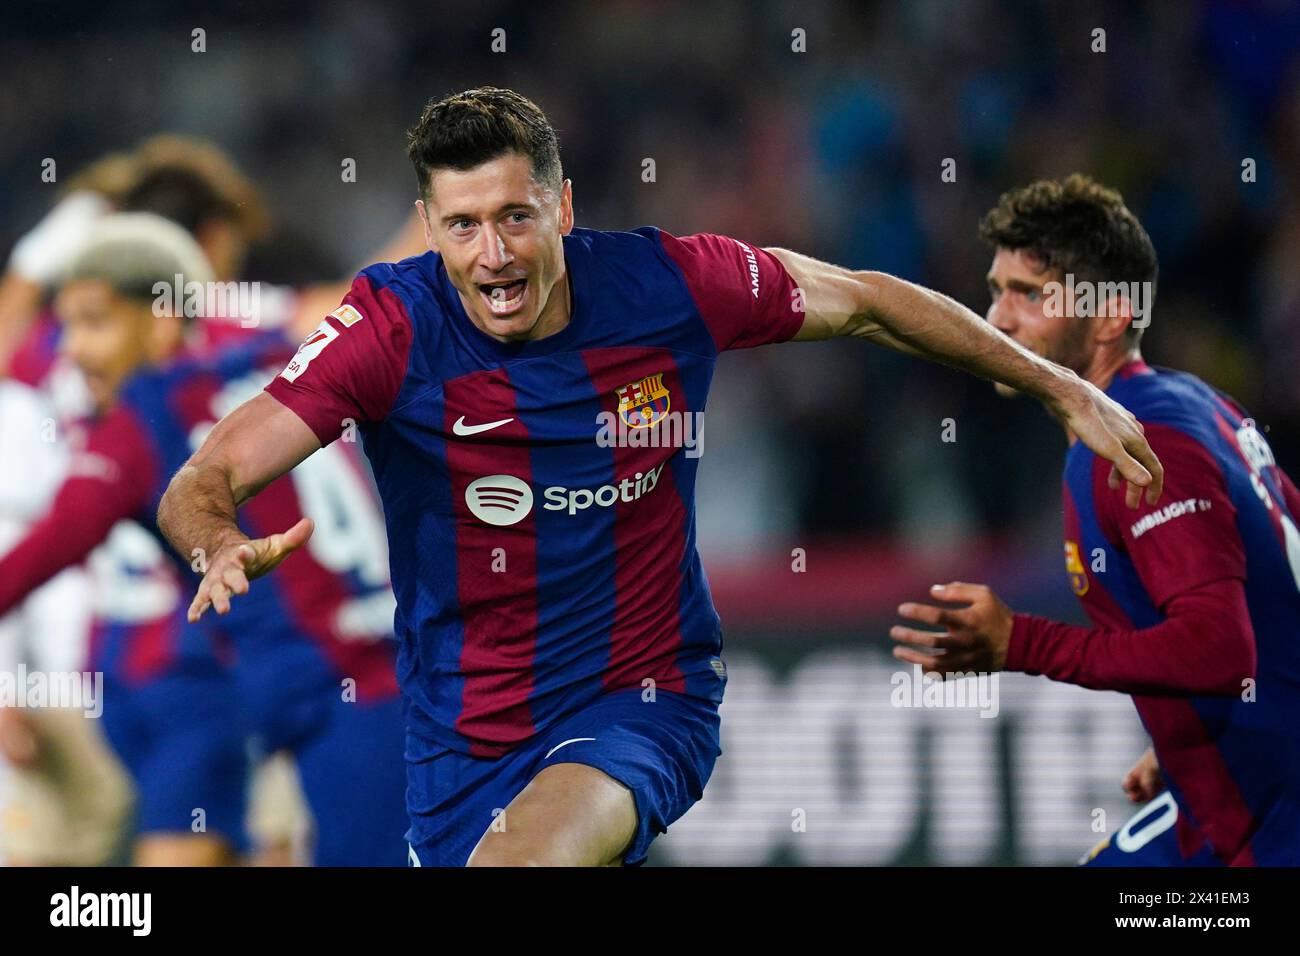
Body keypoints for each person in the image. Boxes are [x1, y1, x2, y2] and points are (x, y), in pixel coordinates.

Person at [159, 87, 1162, 867]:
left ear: (564, 205)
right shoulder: (386, 327)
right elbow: (207, 472)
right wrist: (217, 538)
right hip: (458, 738)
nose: (494, 254)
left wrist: (1056, 387)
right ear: (429, 223)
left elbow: (863, 300)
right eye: (461, 225)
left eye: (515, 217)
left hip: (641, 694)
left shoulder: (669, 284)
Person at [891, 174, 1300, 866]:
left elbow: (1220, 650)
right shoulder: (1193, 405)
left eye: (1029, 295)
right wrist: (1183, 732)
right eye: (996, 291)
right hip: (1231, 787)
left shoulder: (1143, 444)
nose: (995, 319)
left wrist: (1020, 643)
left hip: (1272, 821)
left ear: (1110, 317)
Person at [0, 212, 407, 865]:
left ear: (161, 321)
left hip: (337, 695)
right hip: (405, 668)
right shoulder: (276, 359)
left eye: (96, 323)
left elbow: (35, 556)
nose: (73, 349)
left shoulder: (144, 415)